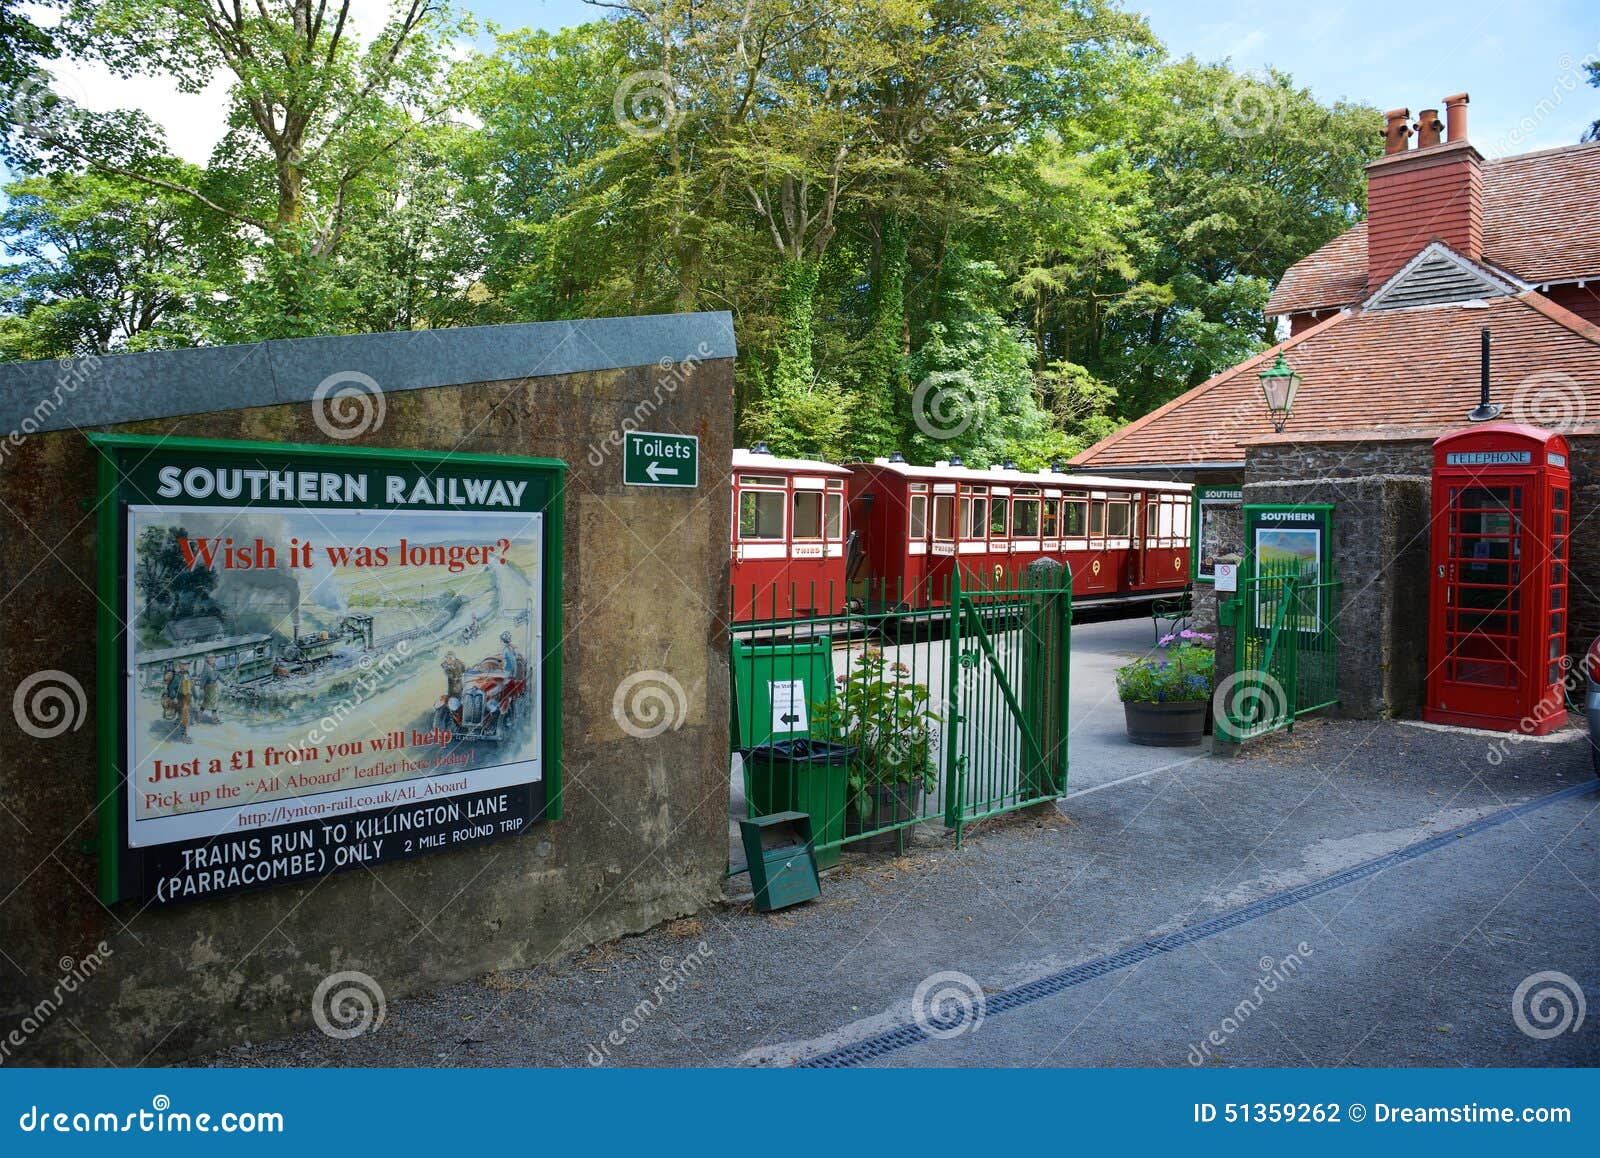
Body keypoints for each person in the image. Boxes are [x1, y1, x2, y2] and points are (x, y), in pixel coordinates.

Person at [199, 655, 223, 724]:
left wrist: (224, 681)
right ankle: (199, 716)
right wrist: (201, 688)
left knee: (214, 703)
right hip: (208, 688)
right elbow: (203, 679)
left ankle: (215, 719)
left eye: (213, 658)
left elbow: (219, 675)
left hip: (214, 687)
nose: (212, 659)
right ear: (207, 660)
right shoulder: (206, 669)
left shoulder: (215, 667)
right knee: (205, 703)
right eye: (210, 658)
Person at [175, 662, 194, 742]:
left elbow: (191, 687)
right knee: (185, 716)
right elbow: (172, 688)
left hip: (188, 698)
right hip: (181, 698)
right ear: (179, 666)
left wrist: (195, 696)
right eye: (182, 665)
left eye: (186, 665)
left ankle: (179, 721)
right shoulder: (177, 676)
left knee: (185, 714)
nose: (184, 666)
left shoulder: (188, 675)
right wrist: (174, 697)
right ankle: (184, 735)